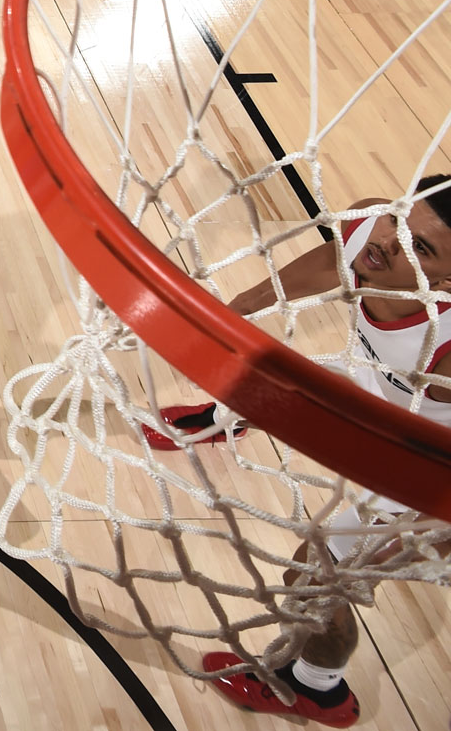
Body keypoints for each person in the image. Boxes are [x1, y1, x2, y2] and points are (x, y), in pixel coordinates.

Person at [146, 182, 451, 727]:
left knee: (314, 581)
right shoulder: (370, 223)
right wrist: (239, 309)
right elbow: (332, 261)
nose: (388, 240)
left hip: (430, 467)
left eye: (421, 248)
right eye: (399, 218)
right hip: (386, 389)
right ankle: (226, 420)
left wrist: (415, 534)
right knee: (277, 373)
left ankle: (317, 690)